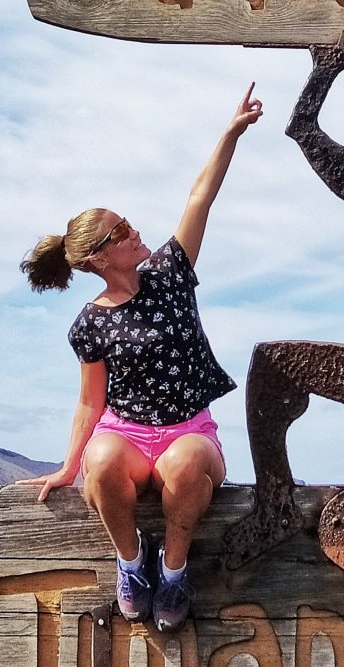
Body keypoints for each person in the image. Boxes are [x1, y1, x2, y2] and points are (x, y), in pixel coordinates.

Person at [18, 85, 263, 630]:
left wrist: (230, 132)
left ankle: (173, 573)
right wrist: (65, 465)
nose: (136, 231)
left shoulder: (170, 274)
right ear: (101, 256)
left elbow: (199, 199)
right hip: (126, 436)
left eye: (129, 222)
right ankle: (132, 564)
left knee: (186, 463)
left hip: (187, 431)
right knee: (98, 463)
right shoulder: (90, 322)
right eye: (123, 230)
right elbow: (90, 402)